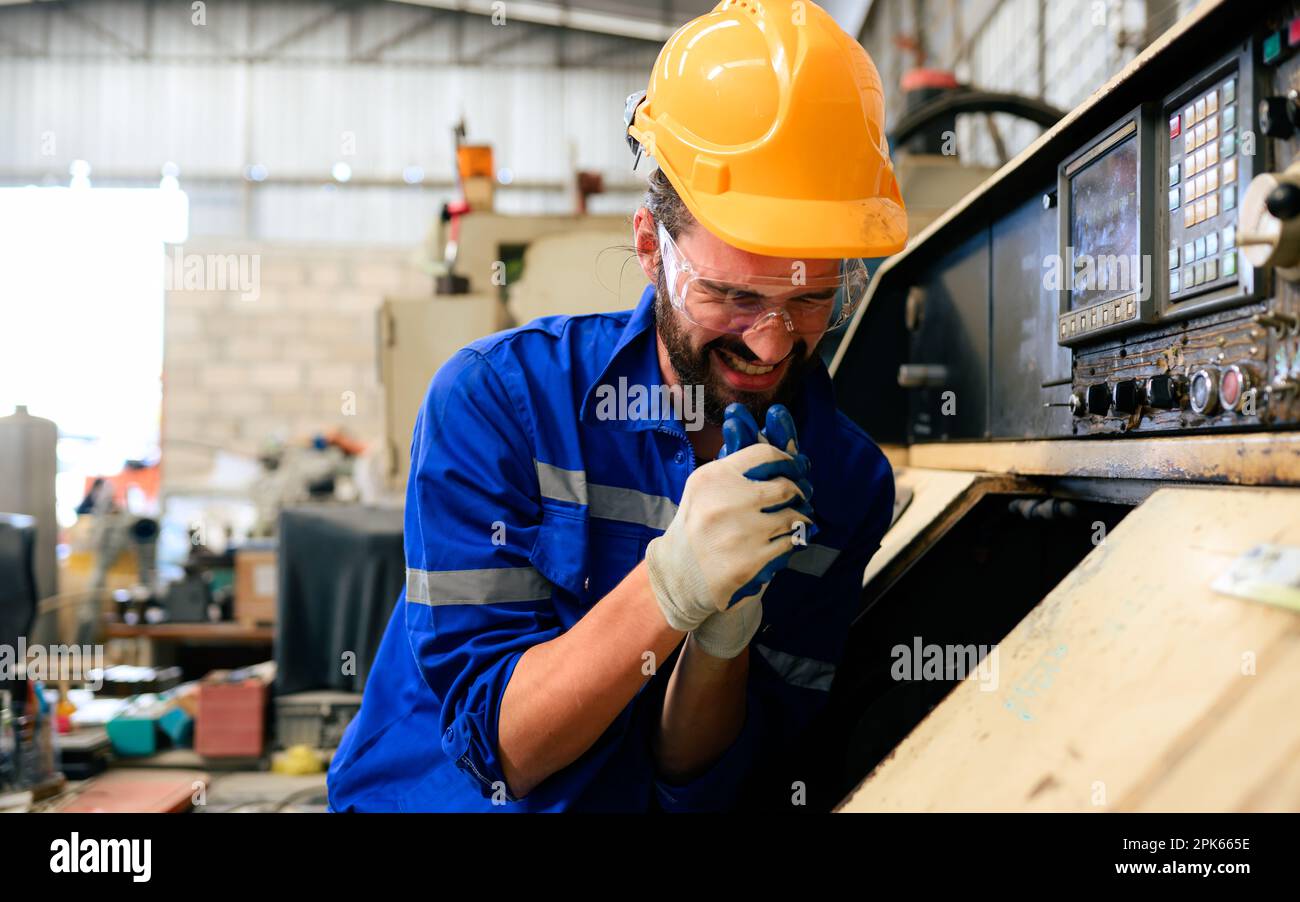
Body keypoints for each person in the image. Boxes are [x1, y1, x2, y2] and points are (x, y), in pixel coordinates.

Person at [327, 0, 907, 812]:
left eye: (813, 300)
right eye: (732, 296)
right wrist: (670, 586)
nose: (772, 345)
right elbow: (502, 759)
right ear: (649, 247)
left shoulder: (844, 482)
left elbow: (692, 783)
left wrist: (721, 637)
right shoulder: (502, 404)